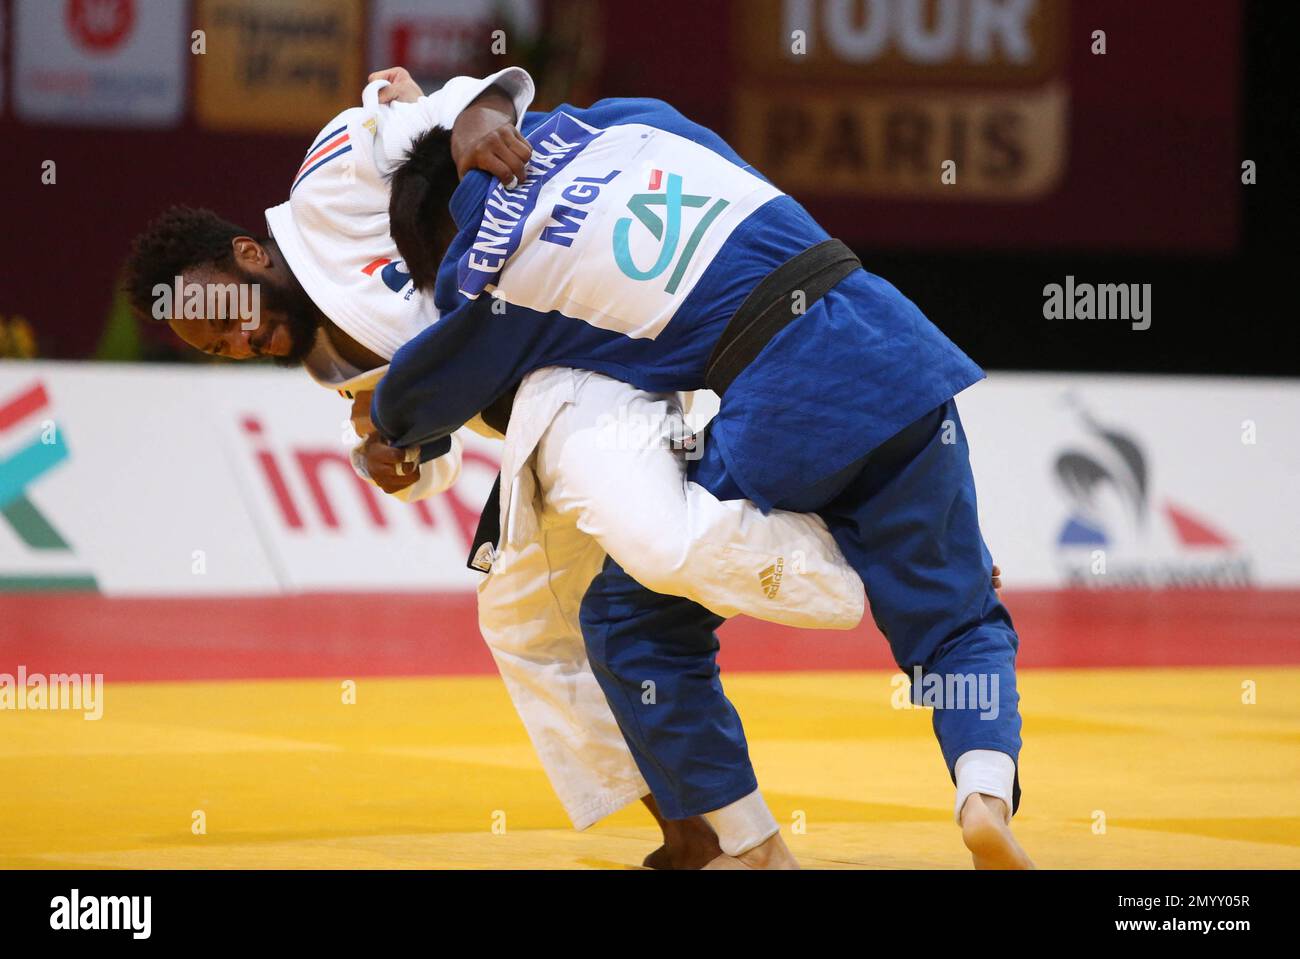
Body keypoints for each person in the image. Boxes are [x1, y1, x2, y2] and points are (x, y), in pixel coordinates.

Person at [124, 67, 867, 869]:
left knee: (650, 549)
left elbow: (426, 109)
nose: (237, 344)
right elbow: (438, 430)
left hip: (586, 335)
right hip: (550, 402)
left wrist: (476, 119)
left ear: (246, 255)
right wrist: (399, 461)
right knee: (522, 619)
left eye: (222, 317)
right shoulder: (326, 363)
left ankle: (859, 559)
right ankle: (705, 830)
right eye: (216, 348)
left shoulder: (325, 182)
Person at [370, 85, 1034, 868]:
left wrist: (382, 432)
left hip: (785, 392)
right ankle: (982, 794)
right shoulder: (630, 118)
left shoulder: (495, 277)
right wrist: (485, 113)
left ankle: (748, 842)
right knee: (958, 617)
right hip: (896, 340)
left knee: (629, 621)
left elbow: (415, 395)